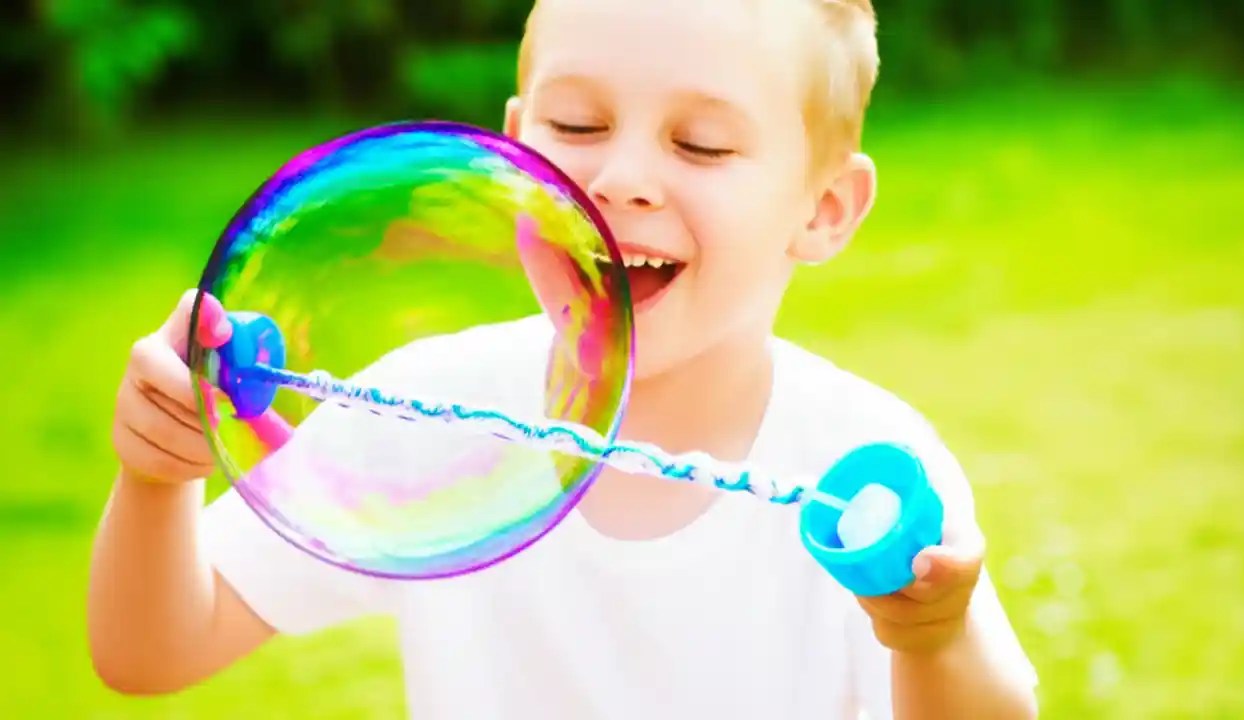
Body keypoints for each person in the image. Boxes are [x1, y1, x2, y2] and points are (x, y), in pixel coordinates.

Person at [87, 0, 1040, 717]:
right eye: (577, 128)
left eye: (700, 143)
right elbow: (151, 649)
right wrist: (157, 478)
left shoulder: (863, 466)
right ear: (511, 151)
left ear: (822, 209)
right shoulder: (420, 411)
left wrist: (934, 638)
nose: (618, 179)